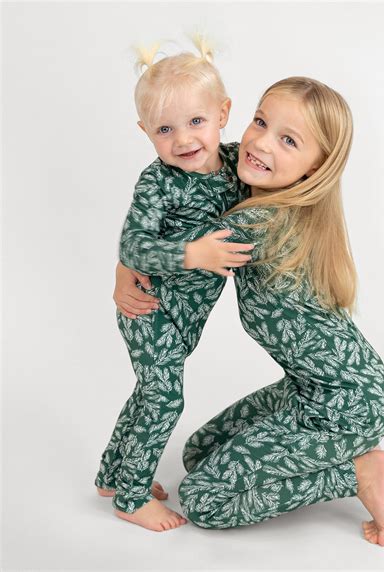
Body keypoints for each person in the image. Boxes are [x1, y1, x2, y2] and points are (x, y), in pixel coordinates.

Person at [114, 76, 384, 546]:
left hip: (347, 405)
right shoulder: (258, 190)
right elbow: (204, 159)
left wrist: (127, 267)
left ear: (316, 167)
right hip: (308, 388)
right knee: (198, 453)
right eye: (261, 122)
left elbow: (169, 236)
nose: (260, 143)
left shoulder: (256, 222)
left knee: (205, 500)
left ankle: (359, 471)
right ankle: (350, 460)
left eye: (288, 140)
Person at [94, 36, 252, 533]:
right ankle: (133, 498)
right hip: (149, 308)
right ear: (145, 131)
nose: (183, 139)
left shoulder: (234, 165)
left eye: (196, 122)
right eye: (165, 129)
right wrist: (193, 253)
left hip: (183, 320)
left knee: (148, 392)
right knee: (164, 398)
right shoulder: (157, 182)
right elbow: (134, 245)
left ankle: (112, 474)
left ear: (223, 113)